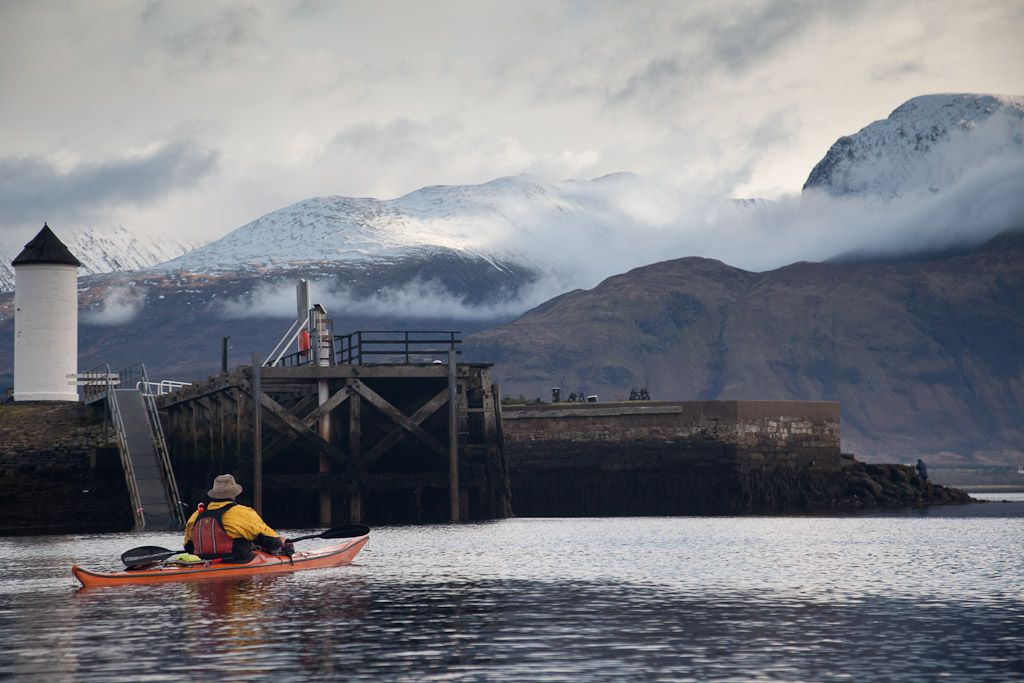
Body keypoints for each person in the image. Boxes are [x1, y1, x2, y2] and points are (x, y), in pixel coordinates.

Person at [183, 474, 293, 563]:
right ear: (234, 495)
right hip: (237, 561)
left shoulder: (196, 515)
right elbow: (272, 541)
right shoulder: (242, 512)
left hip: (202, 561)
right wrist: (281, 542)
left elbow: (188, 546)